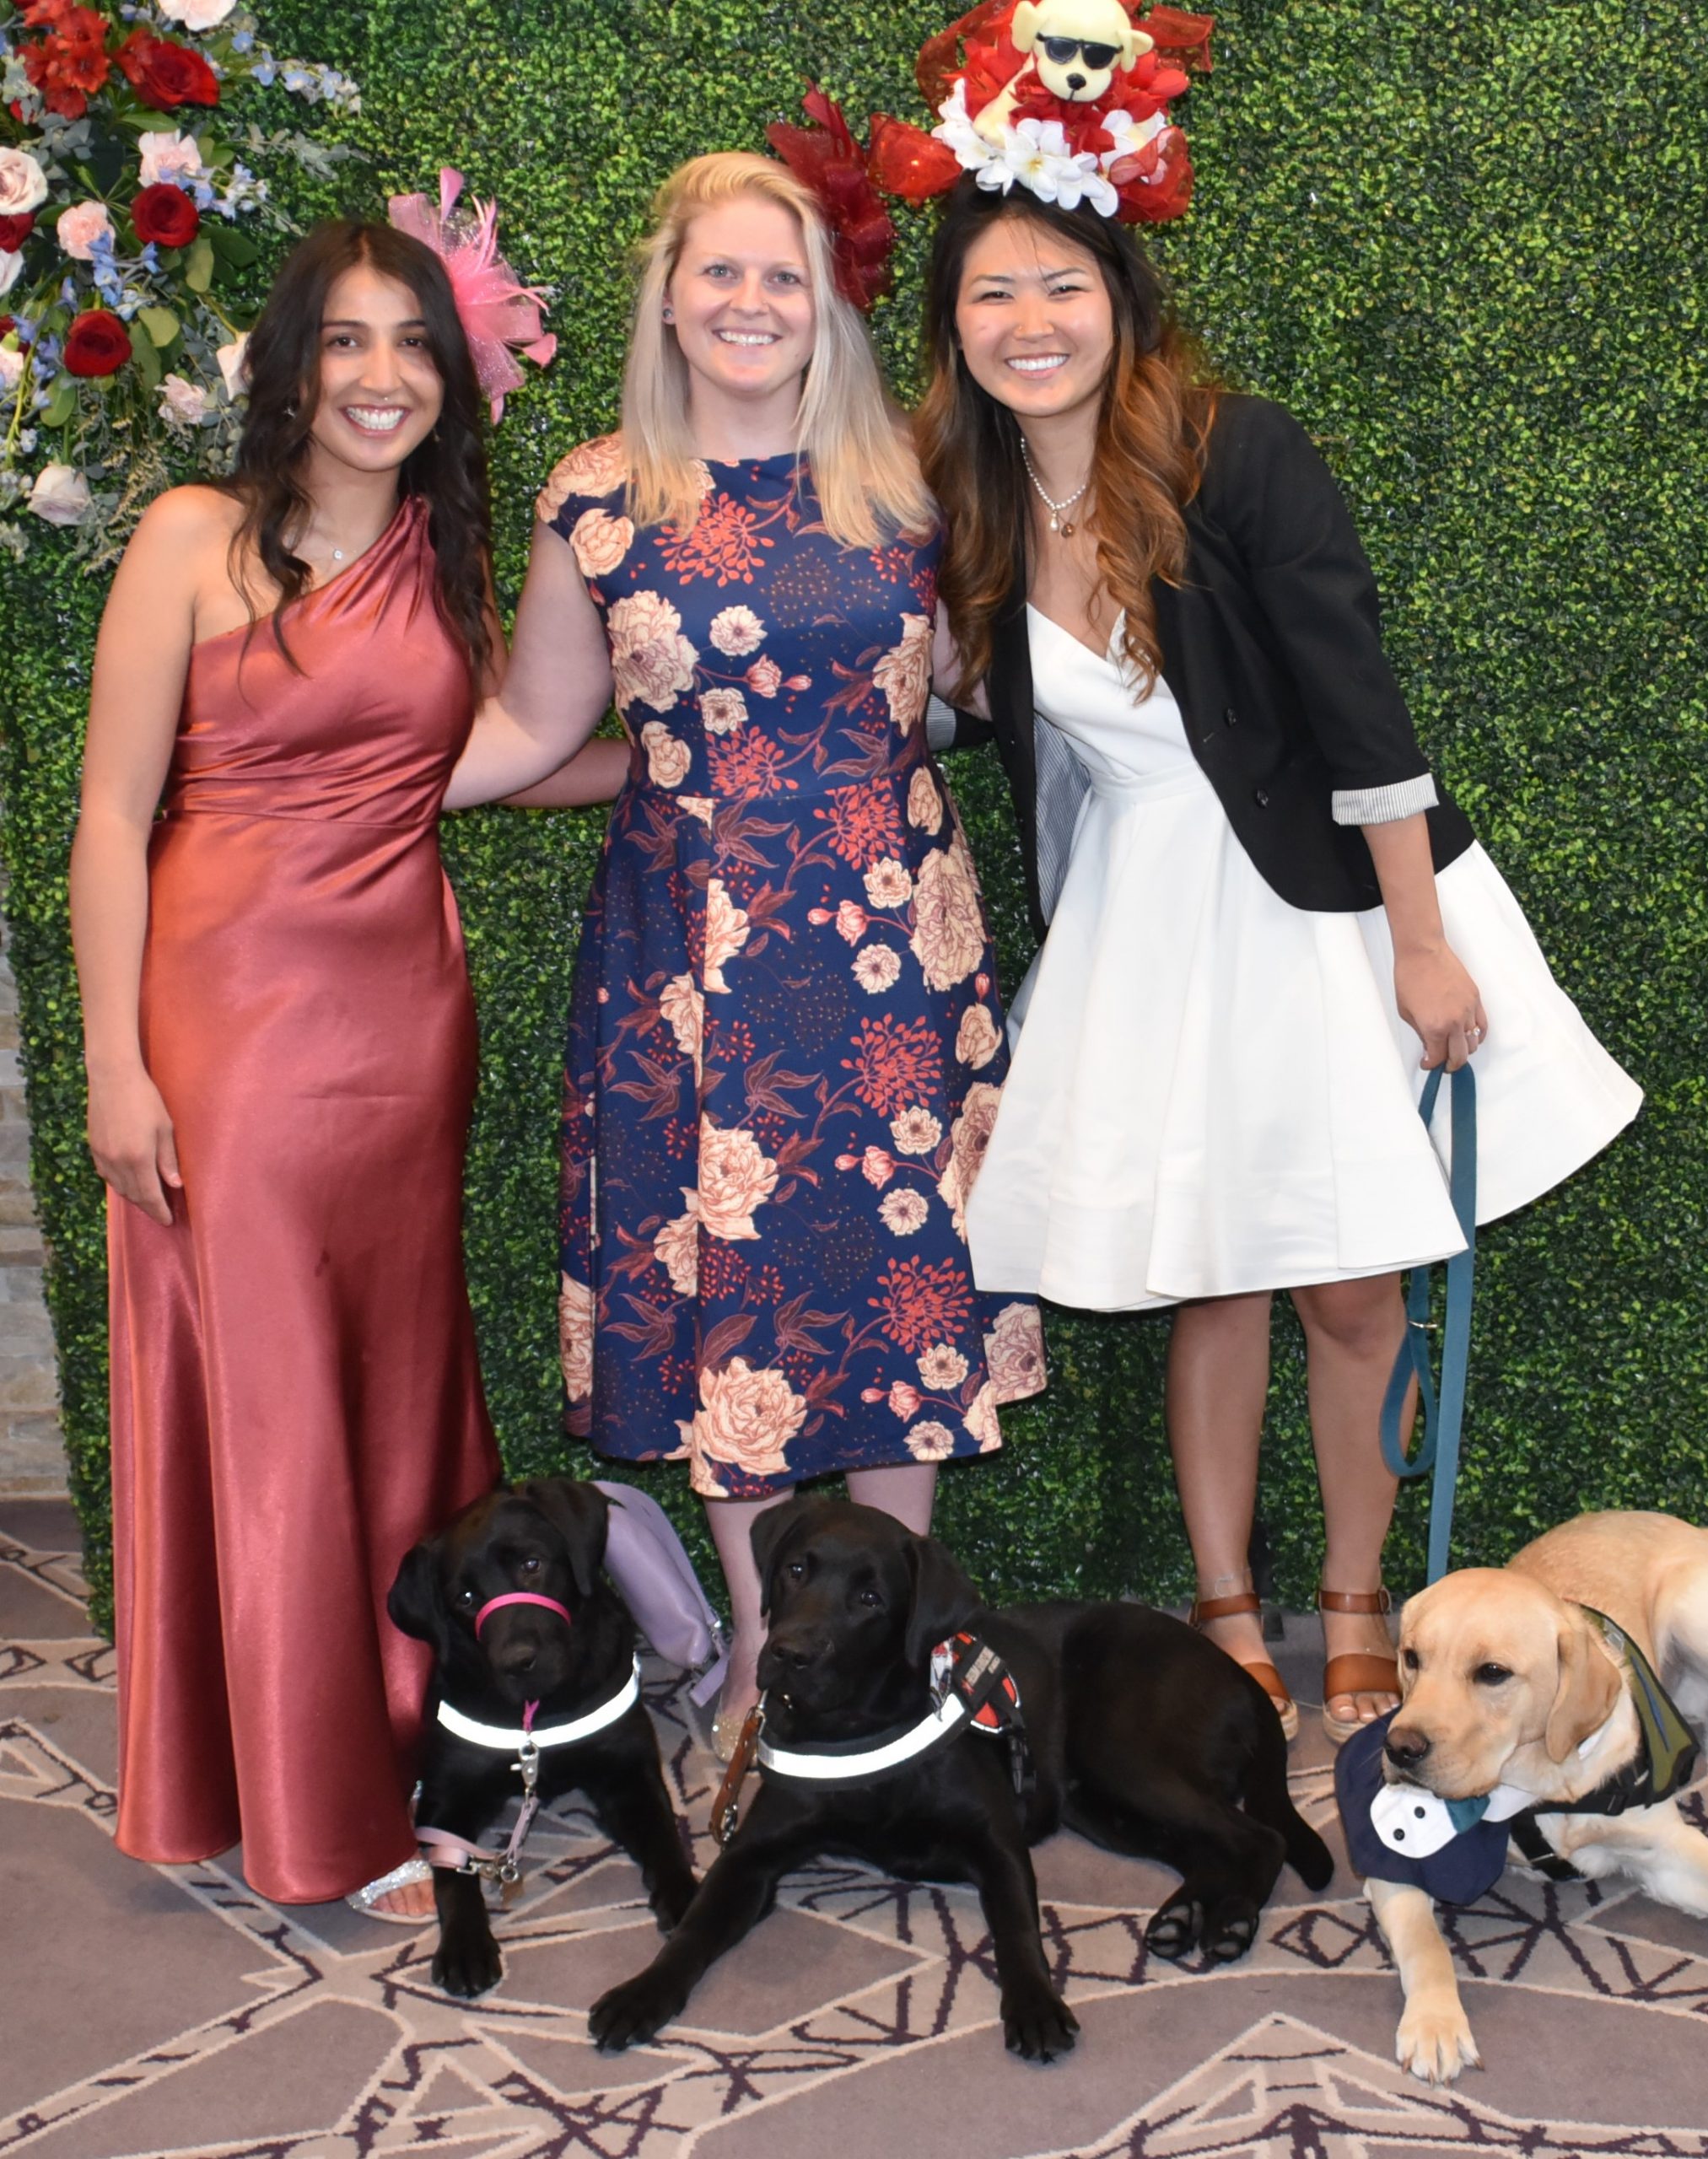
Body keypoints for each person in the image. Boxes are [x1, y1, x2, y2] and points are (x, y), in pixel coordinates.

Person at [913, 166, 1642, 1743]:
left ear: (1120, 297)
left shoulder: (1230, 448)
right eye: (993, 294)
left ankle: (1358, 1597)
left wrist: (1422, 942)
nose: (1032, 324)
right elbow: (967, 705)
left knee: (1353, 1289)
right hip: (1139, 923)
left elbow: (1351, 696)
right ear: (952, 327)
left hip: (1311, 908)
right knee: (1211, 1282)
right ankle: (1224, 1601)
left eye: (1062, 287)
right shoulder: (967, 500)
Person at [448, 148, 1045, 1755]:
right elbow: (531, 722)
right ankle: (771, 1693)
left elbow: (1002, 690)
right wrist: (328, 780)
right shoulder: (596, 495)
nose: (751, 303)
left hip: (888, 950)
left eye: (782, 276)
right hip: (683, 961)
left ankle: (898, 1670)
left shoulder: (916, 479)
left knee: (895, 1289)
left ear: (827, 305)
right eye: (719, 272)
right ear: (668, 295)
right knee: (735, 1313)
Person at [72, 220, 504, 1908]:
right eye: (346, 340)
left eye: (411, 342)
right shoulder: (190, 536)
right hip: (227, 1030)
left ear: (447, 379)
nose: (381, 374)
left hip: (402, 1035)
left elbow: (493, 760)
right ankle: (310, 1806)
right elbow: (113, 816)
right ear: (293, 366)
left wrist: (726, 758)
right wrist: (118, 1060)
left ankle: (412, 1742)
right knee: (266, 1416)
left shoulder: (450, 561)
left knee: (396, 1393)